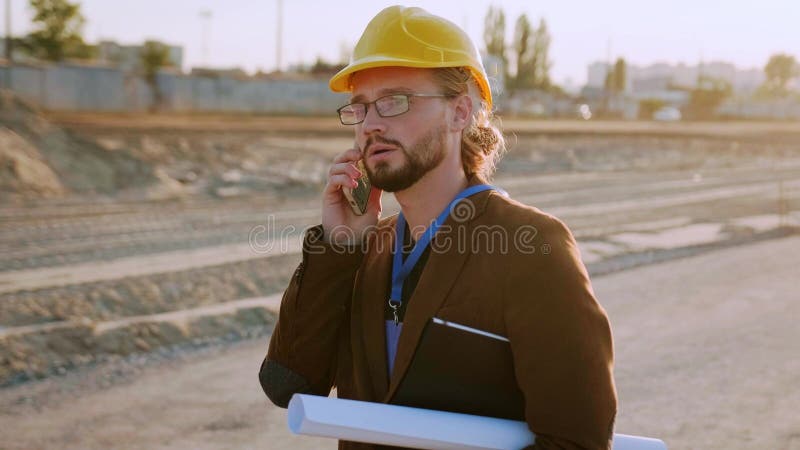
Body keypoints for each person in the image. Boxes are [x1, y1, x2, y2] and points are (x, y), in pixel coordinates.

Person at [259, 5, 616, 449]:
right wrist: (340, 244)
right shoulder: (365, 250)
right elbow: (287, 384)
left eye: (394, 101)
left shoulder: (531, 246)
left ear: (460, 112)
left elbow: (575, 440)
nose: (371, 124)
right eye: (360, 108)